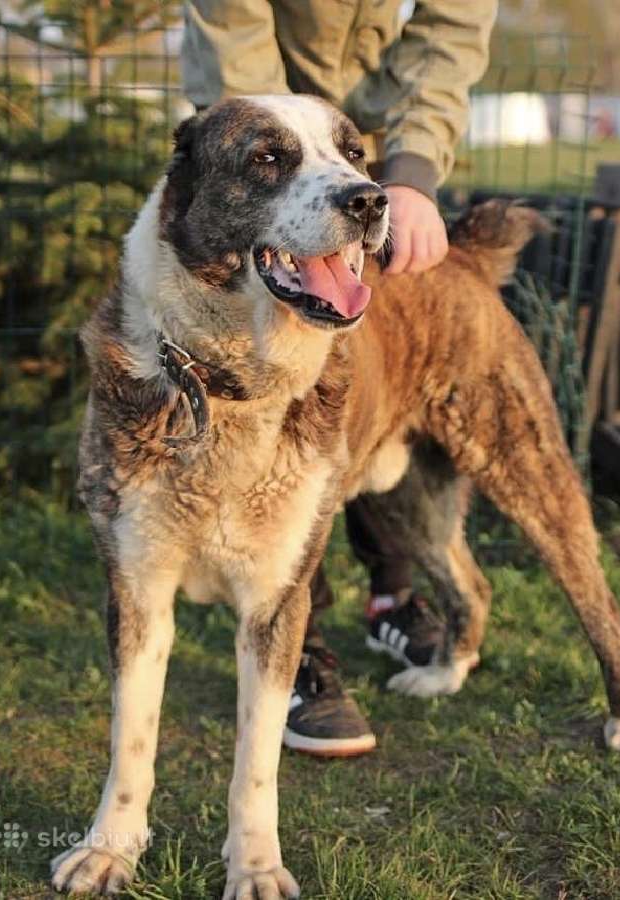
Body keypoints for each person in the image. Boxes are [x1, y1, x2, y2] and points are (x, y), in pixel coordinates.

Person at [181, 0, 498, 757]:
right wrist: (289, 168)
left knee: (367, 380)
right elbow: (234, 29)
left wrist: (411, 175)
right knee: (269, 407)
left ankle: (390, 592)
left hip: (365, 145)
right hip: (254, 145)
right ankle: (301, 647)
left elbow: (450, 35)